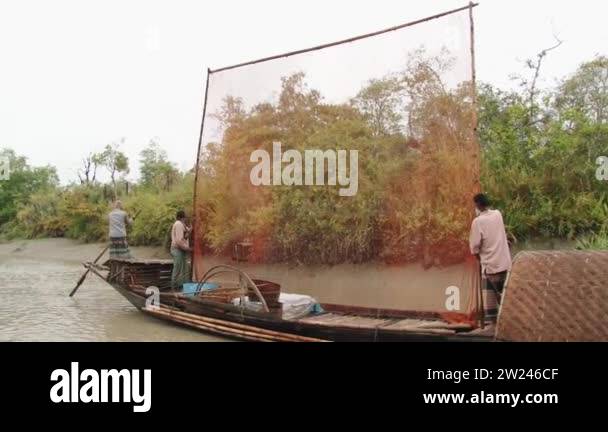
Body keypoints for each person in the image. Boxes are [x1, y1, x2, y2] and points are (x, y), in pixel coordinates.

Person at [469, 194, 512, 323]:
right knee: (506, 296)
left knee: (491, 299)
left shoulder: (478, 222)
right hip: (505, 264)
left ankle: (493, 324)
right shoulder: (498, 214)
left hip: (490, 267)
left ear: (477, 205)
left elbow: (474, 247)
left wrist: (479, 258)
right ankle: (508, 320)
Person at [170, 210, 192, 290]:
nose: (186, 218)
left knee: (184, 268)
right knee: (178, 268)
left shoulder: (181, 225)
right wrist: (188, 249)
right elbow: (179, 241)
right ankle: (174, 287)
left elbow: (184, 237)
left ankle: (182, 286)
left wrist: (189, 230)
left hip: (181, 249)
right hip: (178, 249)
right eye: (185, 217)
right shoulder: (178, 224)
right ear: (181, 217)